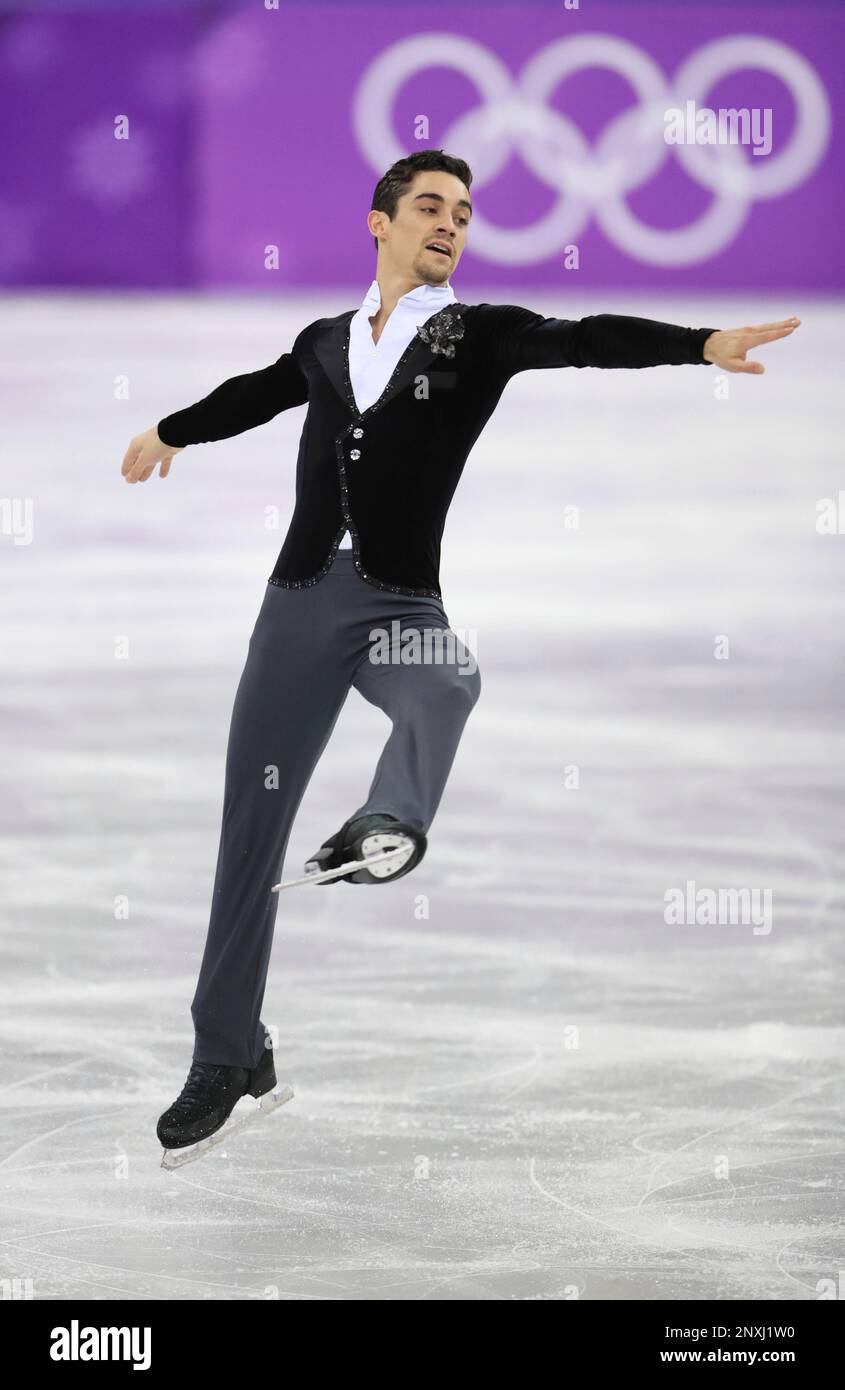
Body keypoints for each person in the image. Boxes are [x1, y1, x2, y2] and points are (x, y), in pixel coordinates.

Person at [121, 150, 800, 1153]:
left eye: (463, 214)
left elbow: (583, 339)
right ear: (378, 223)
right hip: (298, 606)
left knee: (448, 677)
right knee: (247, 838)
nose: (449, 223)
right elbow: (254, 392)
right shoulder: (322, 342)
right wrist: (171, 428)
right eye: (429, 207)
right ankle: (230, 1054)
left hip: (396, 603)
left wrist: (698, 343)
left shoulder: (479, 335)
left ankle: (385, 823)